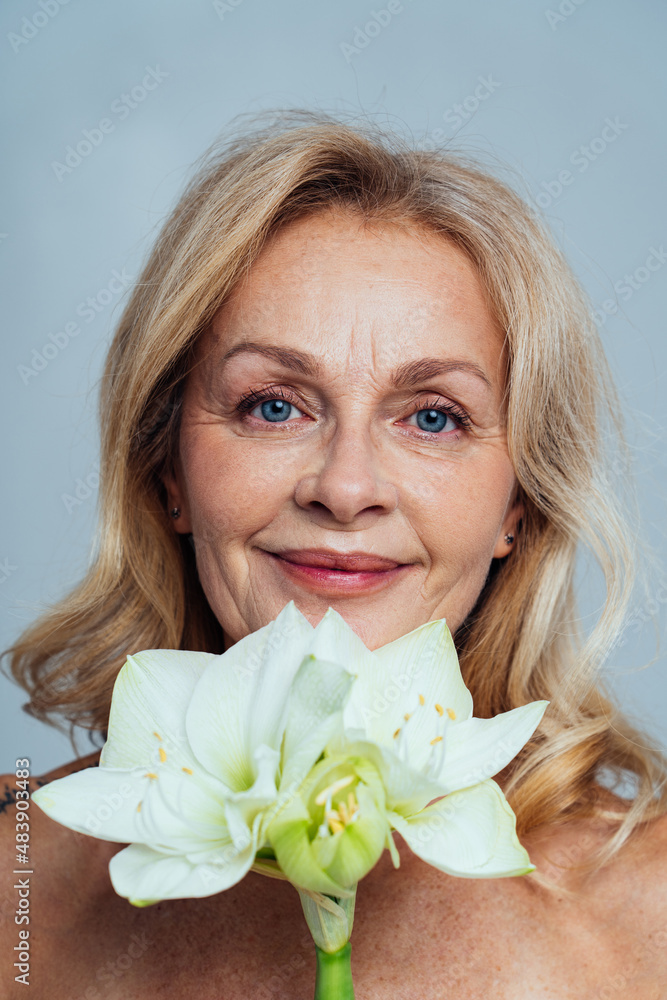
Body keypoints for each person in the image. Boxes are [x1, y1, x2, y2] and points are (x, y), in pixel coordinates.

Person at [2, 109, 667, 998]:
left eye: (433, 416)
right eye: (274, 405)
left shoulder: (648, 911)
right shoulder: (18, 890)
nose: (346, 488)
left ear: (518, 503)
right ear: (168, 472)